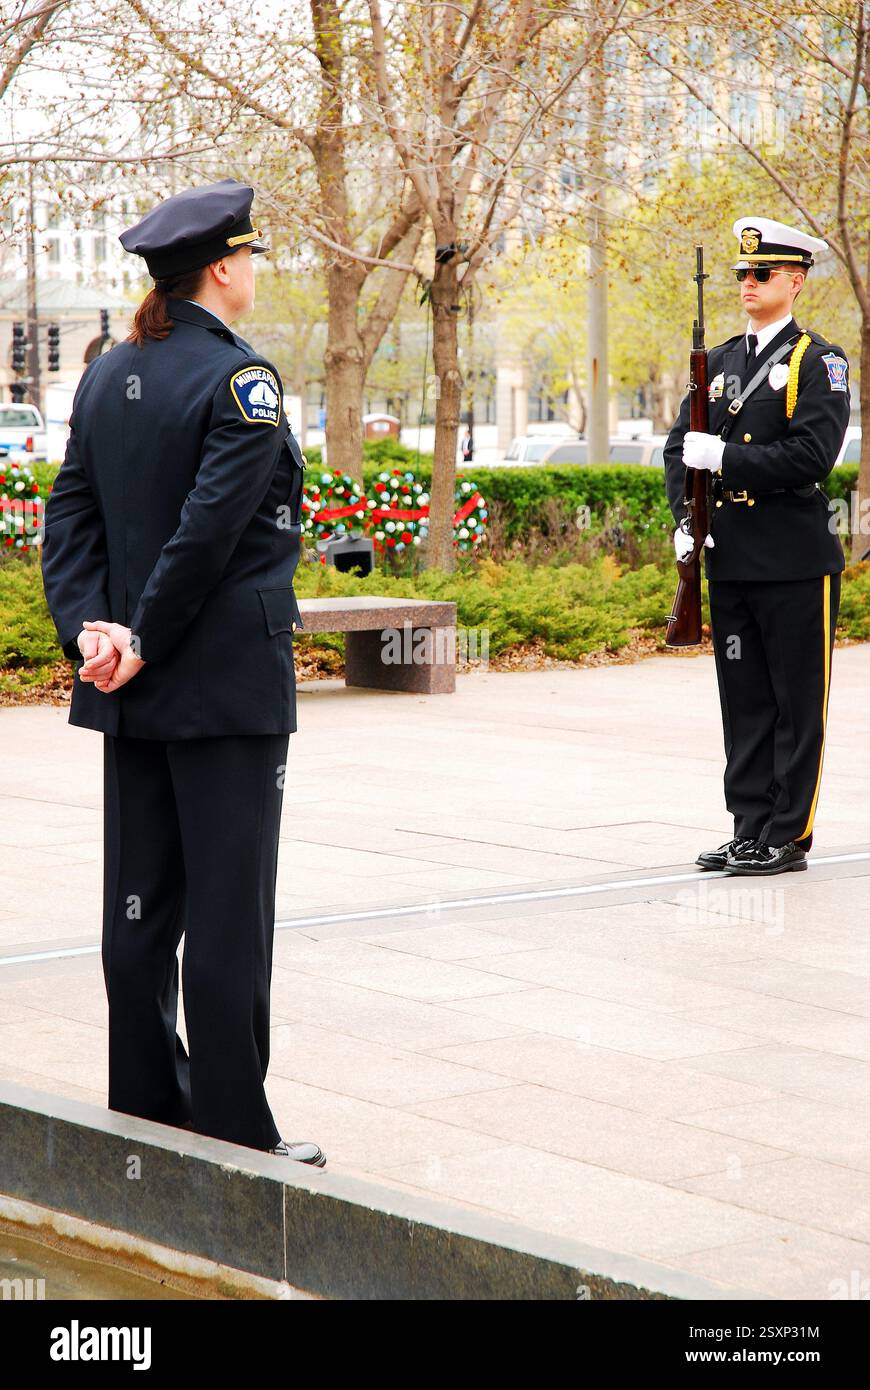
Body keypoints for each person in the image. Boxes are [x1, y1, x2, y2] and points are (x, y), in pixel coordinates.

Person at [41, 178, 325, 1164]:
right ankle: (238, 1128)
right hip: (223, 685)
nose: (253, 271)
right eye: (249, 256)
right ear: (221, 266)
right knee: (227, 915)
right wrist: (143, 636)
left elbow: (69, 517)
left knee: (138, 905)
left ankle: (148, 1109)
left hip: (129, 687)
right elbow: (207, 540)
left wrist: (94, 633)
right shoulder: (240, 382)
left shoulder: (110, 376)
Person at [664, 216, 850, 877]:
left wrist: (728, 462)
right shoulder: (717, 363)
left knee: (796, 705)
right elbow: (676, 450)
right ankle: (747, 826)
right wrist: (685, 519)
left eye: (762, 273)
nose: (748, 283)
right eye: (742, 273)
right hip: (731, 559)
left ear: (794, 281)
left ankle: (787, 834)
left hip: (795, 563)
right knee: (743, 701)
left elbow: (811, 456)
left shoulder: (816, 361)